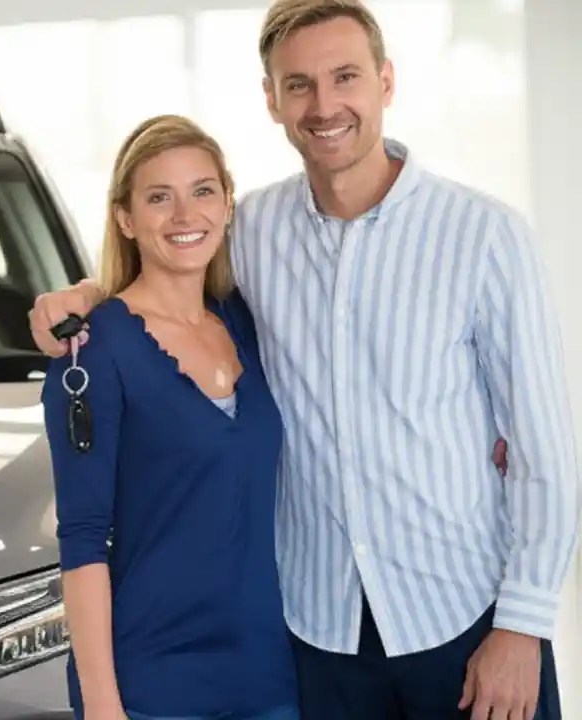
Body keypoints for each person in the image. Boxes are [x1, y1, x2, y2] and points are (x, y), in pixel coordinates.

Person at [31, 1, 580, 719]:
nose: (324, 106)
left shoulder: (483, 237)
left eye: (345, 76)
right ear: (272, 100)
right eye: (299, 85)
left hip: (466, 625)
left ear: (385, 81)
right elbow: (169, 264)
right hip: (318, 645)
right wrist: (85, 295)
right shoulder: (255, 231)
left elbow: (545, 452)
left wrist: (523, 624)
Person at [44, 114, 299, 720]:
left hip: (267, 678)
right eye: (160, 197)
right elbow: (81, 543)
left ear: (228, 202)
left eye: (203, 191)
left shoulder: (249, 324)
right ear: (126, 218)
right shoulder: (93, 352)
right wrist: (104, 706)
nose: (186, 217)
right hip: (153, 684)